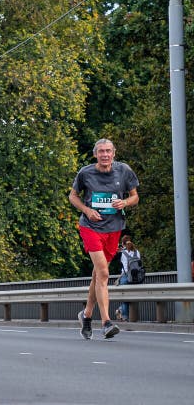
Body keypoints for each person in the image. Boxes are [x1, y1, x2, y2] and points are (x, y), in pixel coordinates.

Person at [69, 138, 139, 340]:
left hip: (114, 228)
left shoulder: (124, 171)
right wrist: (87, 210)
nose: (105, 155)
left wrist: (124, 202)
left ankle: (87, 316)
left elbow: (135, 196)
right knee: (104, 273)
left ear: (114, 153)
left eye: (108, 151)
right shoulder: (85, 172)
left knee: (98, 275)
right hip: (90, 227)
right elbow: (73, 196)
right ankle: (106, 322)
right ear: (95, 154)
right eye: (101, 151)